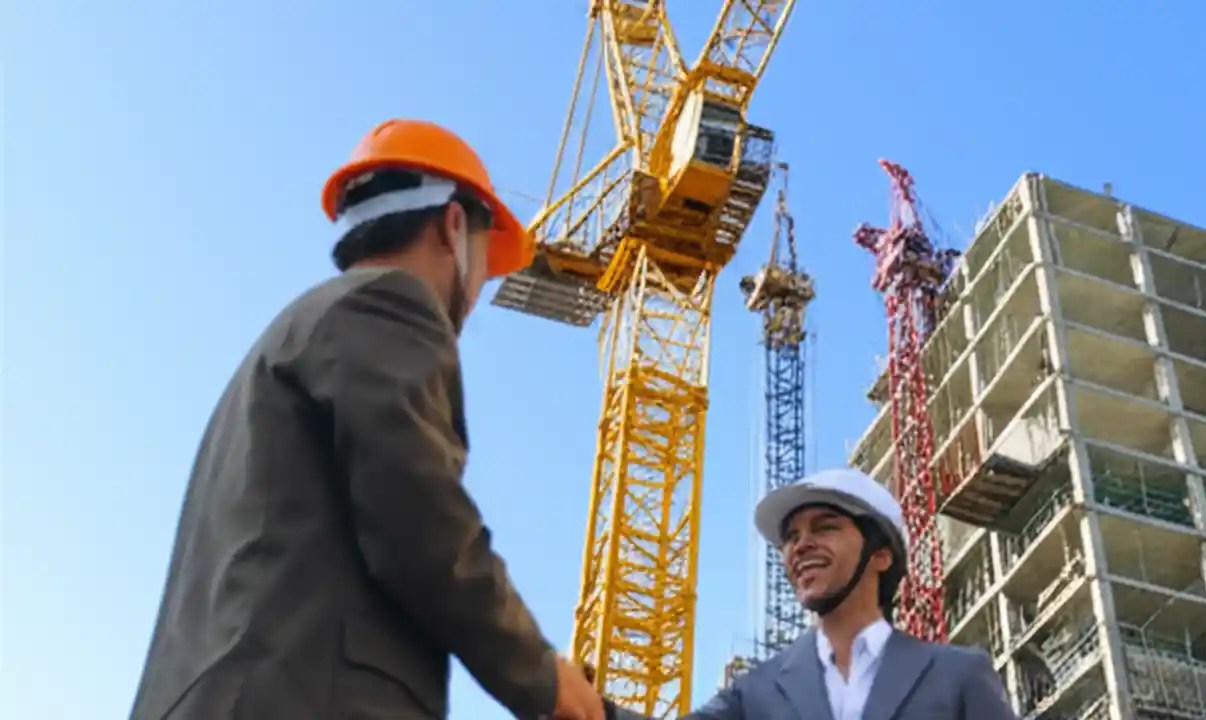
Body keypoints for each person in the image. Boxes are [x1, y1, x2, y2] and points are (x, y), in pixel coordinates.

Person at [129, 119, 604, 720]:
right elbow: (419, 517)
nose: (481, 283)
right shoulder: (391, 304)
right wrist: (543, 677)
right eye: (485, 259)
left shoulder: (294, 336)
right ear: (453, 226)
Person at [601, 468, 1017, 720]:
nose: (799, 546)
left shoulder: (957, 675)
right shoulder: (755, 693)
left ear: (881, 556)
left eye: (825, 527)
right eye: (791, 536)